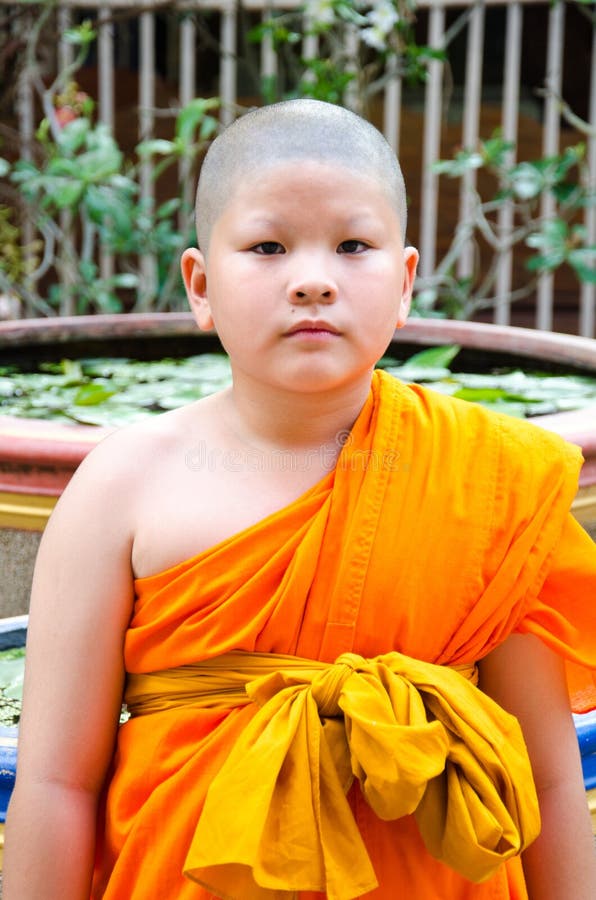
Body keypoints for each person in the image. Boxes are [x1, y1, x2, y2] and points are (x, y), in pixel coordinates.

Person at [3, 98, 596, 900]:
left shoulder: (487, 481)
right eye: (268, 246)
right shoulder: (121, 487)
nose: (313, 279)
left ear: (406, 282)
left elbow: (551, 783)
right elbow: (54, 784)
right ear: (201, 285)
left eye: (354, 245)